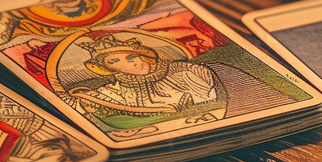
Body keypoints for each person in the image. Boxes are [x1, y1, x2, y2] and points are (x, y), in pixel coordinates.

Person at [69, 33, 225, 126]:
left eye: (130, 57)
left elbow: (210, 104)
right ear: (108, 68)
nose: (127, 64)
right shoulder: (115, 89)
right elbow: (92, 100)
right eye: (113, 61)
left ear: (141, 56)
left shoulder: (185, 74)